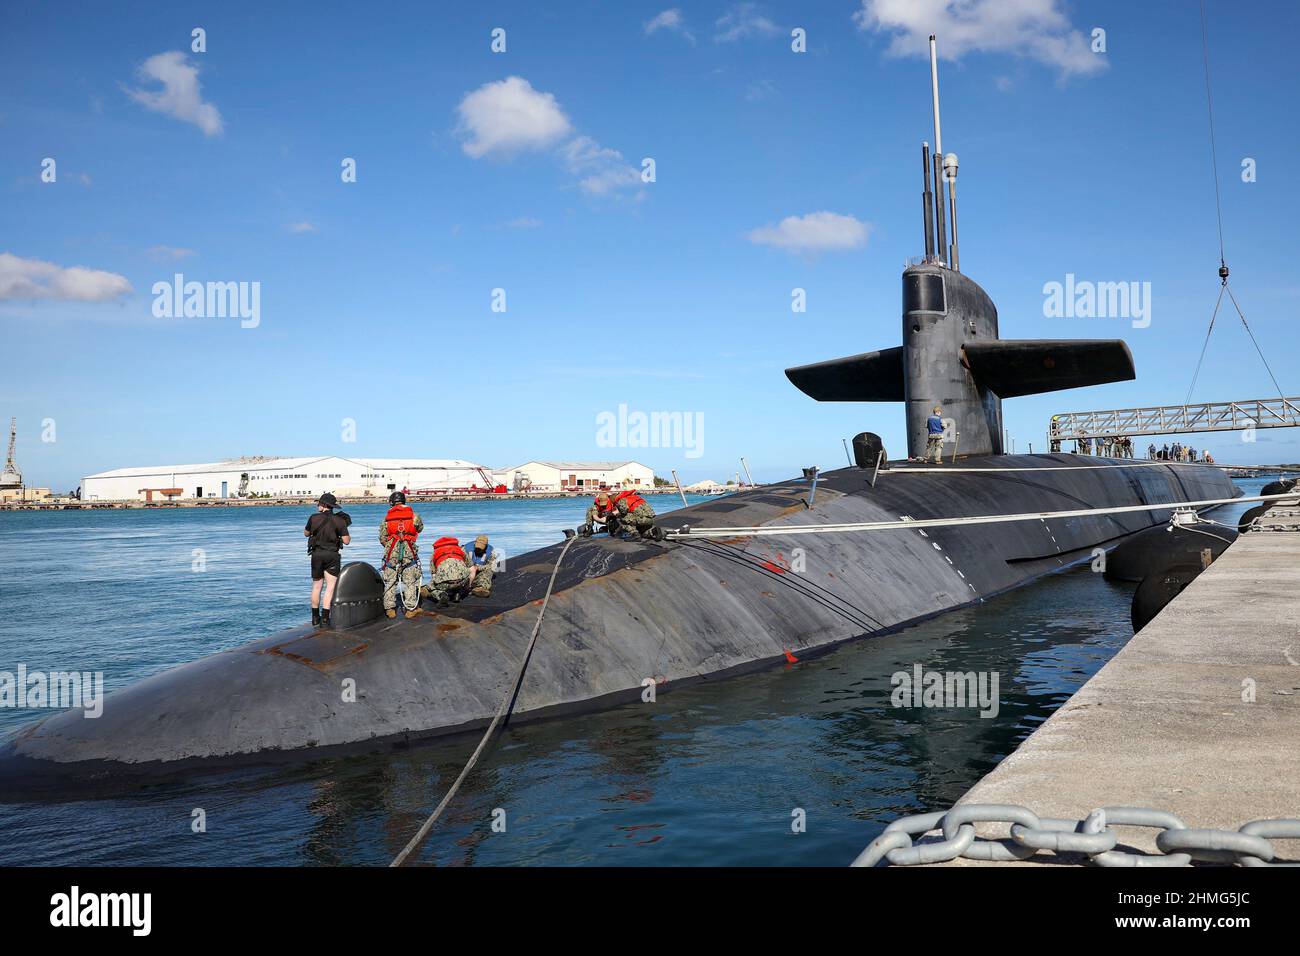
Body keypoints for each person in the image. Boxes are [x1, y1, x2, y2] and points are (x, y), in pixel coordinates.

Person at [304, 493, 351, 626]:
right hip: (332, 555)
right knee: (330, 587)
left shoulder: (313, 518)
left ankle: (314, 617)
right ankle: (325, 617)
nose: (317, 505)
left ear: (324, 505)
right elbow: (346, 541)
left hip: (317, 555)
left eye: (319, 503)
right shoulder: (340, 521)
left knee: (316, 586)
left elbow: (306, 533)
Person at [379, 491, 424, 619]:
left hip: (391, 550)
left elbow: (382, 538)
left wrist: (389, 547)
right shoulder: (414, 516)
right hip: (409, 549)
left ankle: (390, 609)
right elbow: (419, 529)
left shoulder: (387, 519)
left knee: (390, 579)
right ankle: (410, 608)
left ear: (392, 502)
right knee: (410, 579)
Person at [427, 536, 471, 607]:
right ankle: (458, 593)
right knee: (466, 576)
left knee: (429, 586)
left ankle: (441, 595)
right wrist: (467, 587)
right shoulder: (461, 549)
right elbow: (471, 568)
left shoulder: (434, 554)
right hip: (461, 581)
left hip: (445, 584)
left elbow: (434, 574)